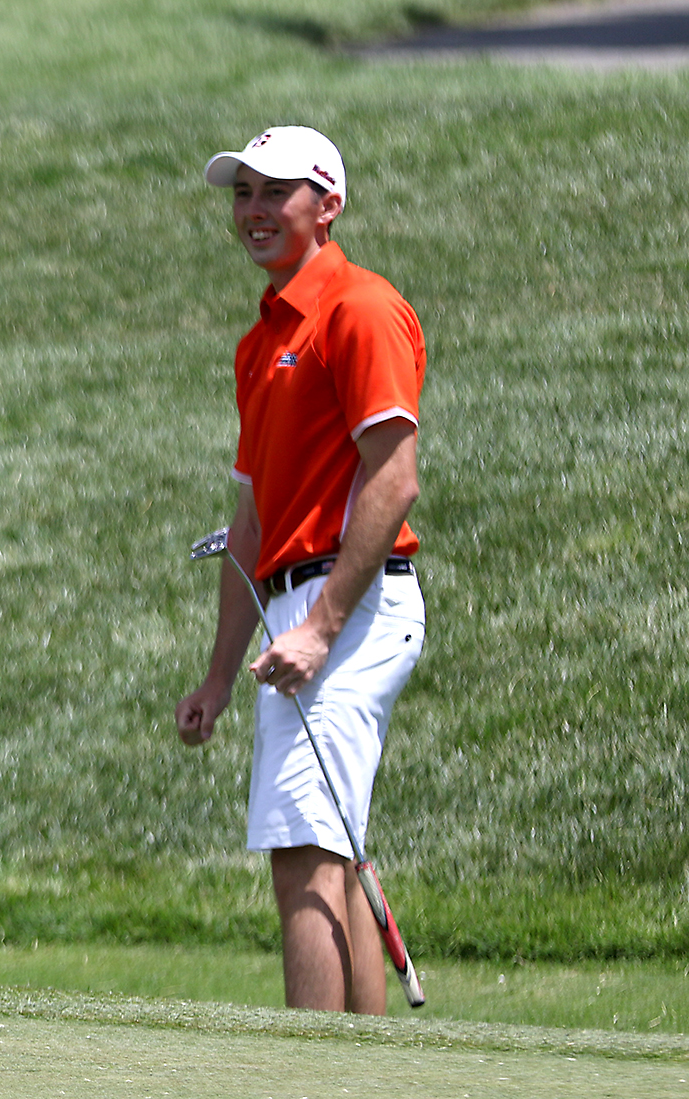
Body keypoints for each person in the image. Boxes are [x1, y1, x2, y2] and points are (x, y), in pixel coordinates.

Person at [174, 126, 427, 1015]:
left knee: (303, 849)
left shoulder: (360, 308)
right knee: (329, 848)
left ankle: (312, 1079)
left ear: (328, 207)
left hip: (352, 603)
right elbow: (251, 521)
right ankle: (358, 1076)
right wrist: (216, 675)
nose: (252, 210)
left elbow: (394, 477)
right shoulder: (261, 342)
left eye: (274, 192)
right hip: (304, 607)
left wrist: (321, 625)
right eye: (242, 193)